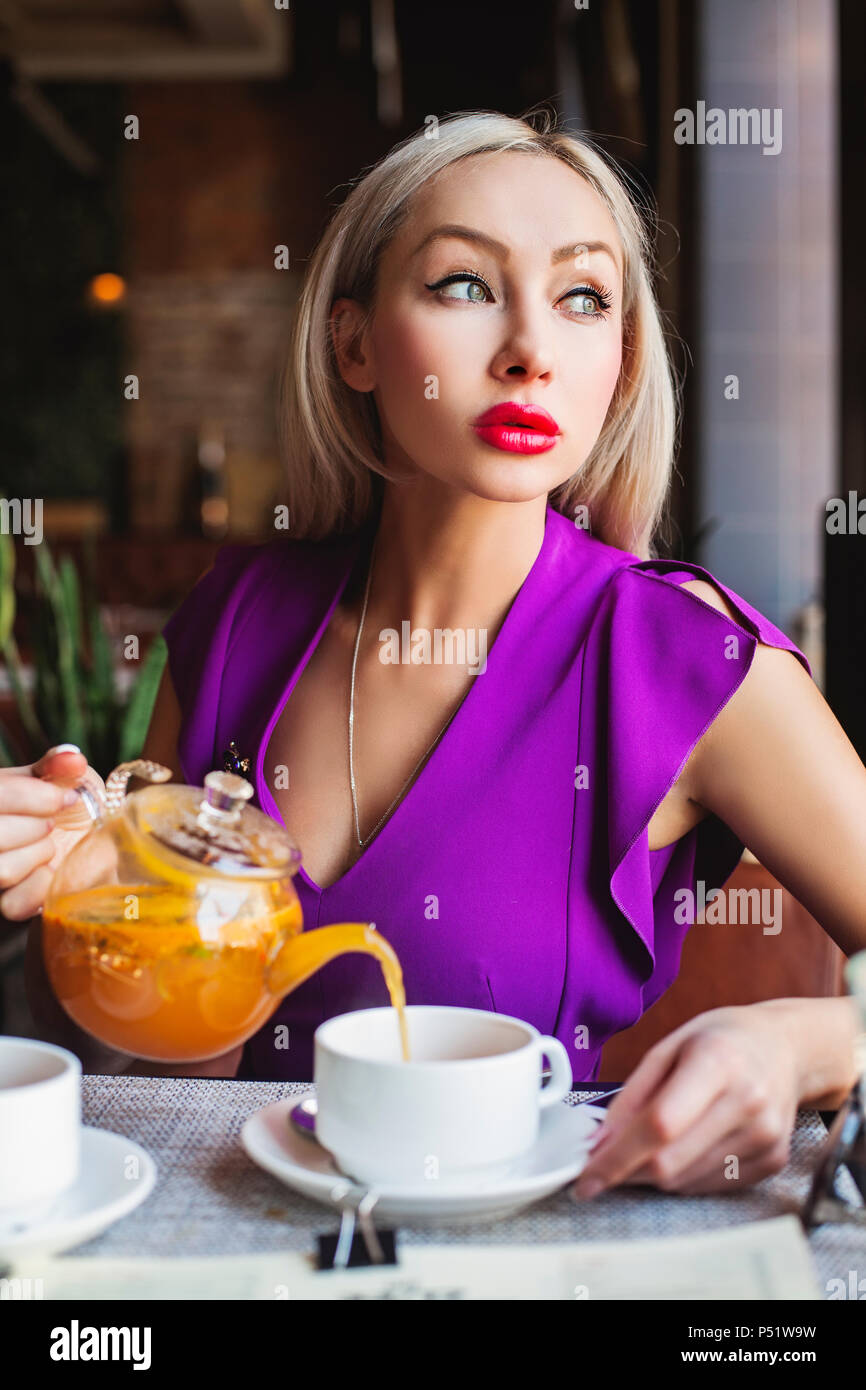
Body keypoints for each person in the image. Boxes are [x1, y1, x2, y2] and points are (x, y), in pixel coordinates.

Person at [3, 111, 864, 1200]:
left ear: (619, 361)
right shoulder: (235, 620)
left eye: (581, 297)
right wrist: (80, 887)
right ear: (353, 344)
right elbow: (174, 1063)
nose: (528, 351)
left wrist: (799, 1044)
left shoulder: (681, 657)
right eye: (463, 283)